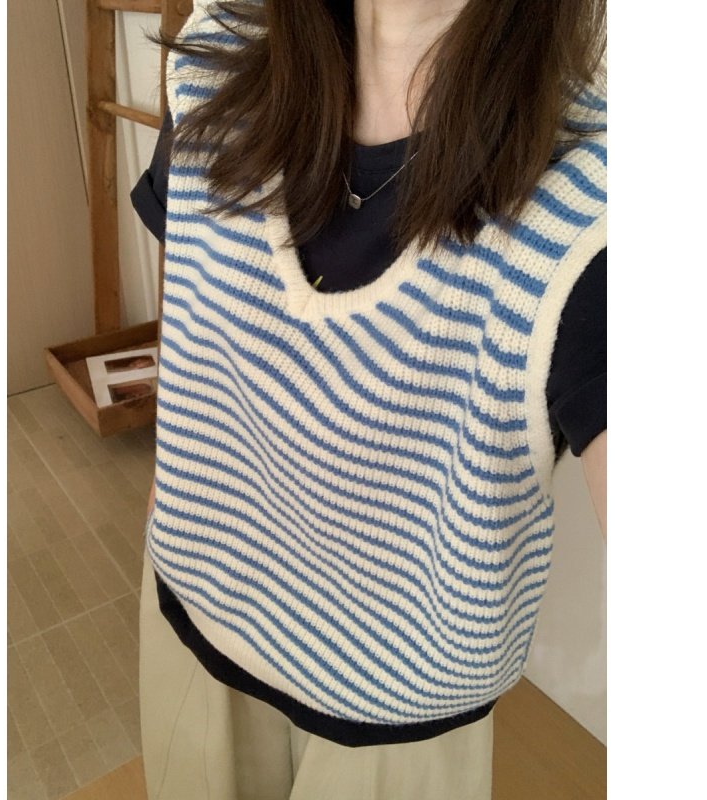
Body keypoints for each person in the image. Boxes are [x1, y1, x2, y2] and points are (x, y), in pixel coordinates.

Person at [131, 0, 606, 797]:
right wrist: (166, 495)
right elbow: (188, 318)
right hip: (193, 620)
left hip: (394, 717)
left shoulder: (591, 205)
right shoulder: (214, 61)